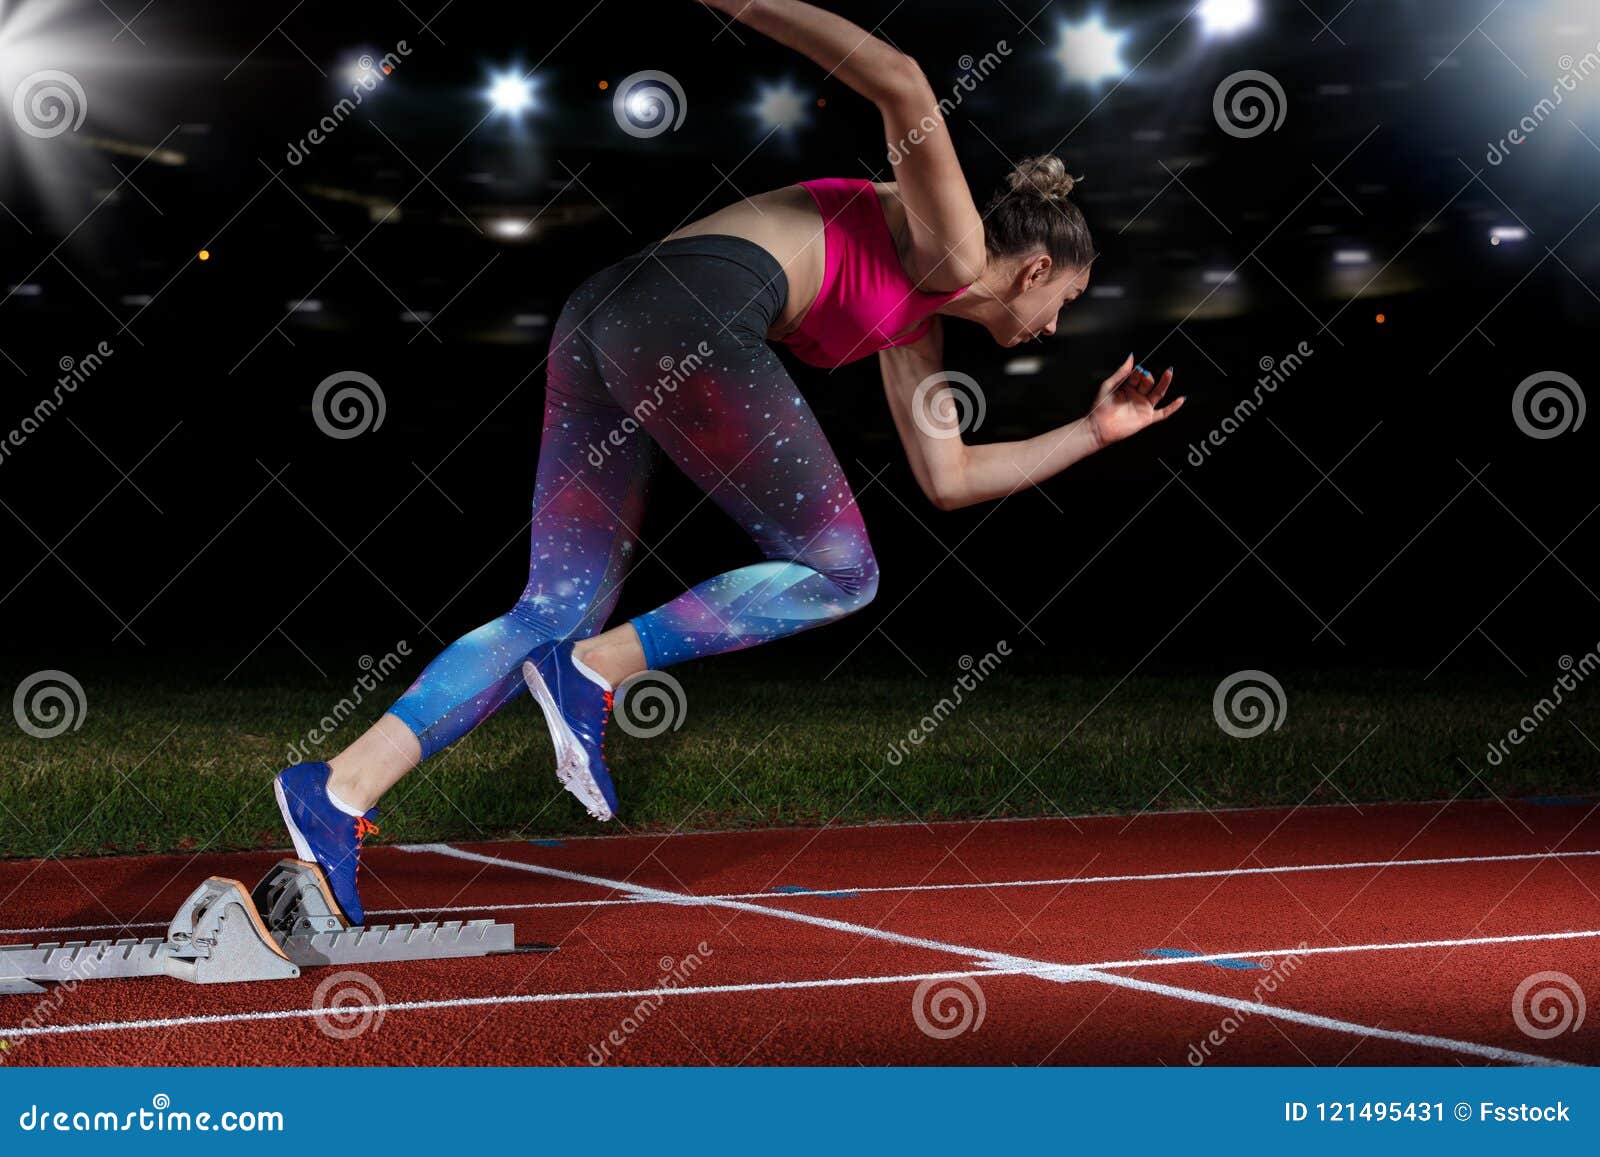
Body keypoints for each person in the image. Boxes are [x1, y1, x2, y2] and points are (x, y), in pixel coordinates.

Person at [275, 0, 1184, 924]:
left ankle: (339, 787)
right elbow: (902, 79)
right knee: (843, 572)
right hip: (686, 314)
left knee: (551, 607)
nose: (1055, 327)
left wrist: (1092, 434)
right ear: (1032, 271)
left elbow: (949, 480)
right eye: (1063, 300)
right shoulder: (952, 244)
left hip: (604, 318)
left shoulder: (916, 327)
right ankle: (595, 667)